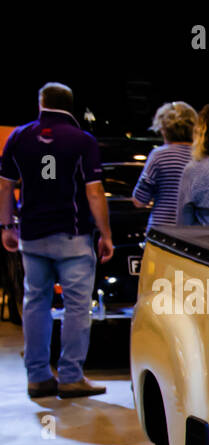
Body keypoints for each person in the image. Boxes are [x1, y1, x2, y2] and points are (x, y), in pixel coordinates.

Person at [0, 82, 112, 399]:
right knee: (77, 308)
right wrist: (105, 234)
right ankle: (70, 378)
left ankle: (37, 378)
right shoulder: (82, 140)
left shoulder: (18, 136)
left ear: (41, 103)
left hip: (32, 235)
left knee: (35, 303)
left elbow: (5, 187)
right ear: (70, 106)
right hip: (73, 236)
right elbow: (93, 191)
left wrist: (7, 226)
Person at [132, 101, 198, 229]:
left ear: (163, 129)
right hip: (192, 234)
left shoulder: (158, 155)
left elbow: (139, 200)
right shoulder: (202, 157)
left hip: (161, 232)